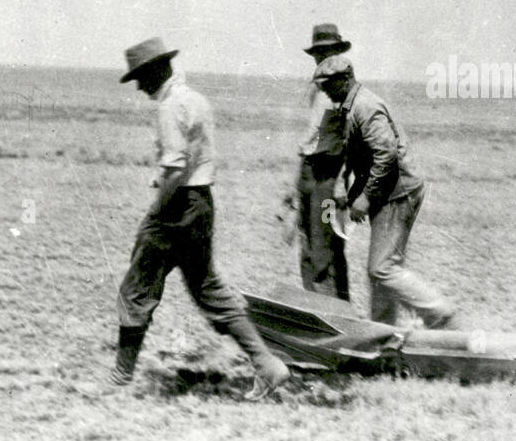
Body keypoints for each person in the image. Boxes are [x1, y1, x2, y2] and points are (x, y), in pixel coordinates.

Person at [105, 37, 290, 399]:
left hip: (176, 207)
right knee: (208, 288)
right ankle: (268, 365)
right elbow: (192, 158)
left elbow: (175, 168)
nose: (140, 87)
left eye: (141, 78)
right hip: (202, 204)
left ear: (157, 71)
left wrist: (156, 210)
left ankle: (120, 378)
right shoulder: (196, 100)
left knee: (136, 289)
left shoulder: (169, 107)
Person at [313, 55, 453, 328]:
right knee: (379, 269)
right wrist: (351, 193)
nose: (325, 91)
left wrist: (364, 198)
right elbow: (362, 157)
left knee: (382, 268)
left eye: (328, 85)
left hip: (398, 193)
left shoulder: (365, 106)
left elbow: (386, 154)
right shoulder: (352, 105)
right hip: (390, 192)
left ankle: (439, 313)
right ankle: (383, 330)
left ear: (345, 79)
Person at [287, 24, 351, 300]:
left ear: (338, 52)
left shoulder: (346, 91)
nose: (321, 59)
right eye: (318, 53)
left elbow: (354, 141)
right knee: (307, 241)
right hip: (309, 173)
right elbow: (310, 136)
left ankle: (332, 309)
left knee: (326, 242)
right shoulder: (317, 89)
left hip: (328, 178)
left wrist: (341, 183)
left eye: (327, 52)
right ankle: (316, 306)